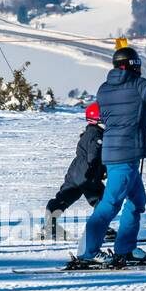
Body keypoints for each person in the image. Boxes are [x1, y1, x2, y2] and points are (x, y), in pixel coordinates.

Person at [71, 46, 146, 269]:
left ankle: (126, 249)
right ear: (134, 66)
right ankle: (88, 252)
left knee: (137, 201)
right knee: (110, 204)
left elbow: (125, 111)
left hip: (113, 152)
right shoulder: (137, 85)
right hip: (126, 155)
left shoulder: (104, 89)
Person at [42, 103, 112, 241]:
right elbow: (94, 156)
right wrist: (98, 171)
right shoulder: (97, 135)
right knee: (102, 200)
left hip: (75, 172)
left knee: (64, 198)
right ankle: (101, 229)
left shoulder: (89, 132)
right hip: (87, 174)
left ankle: (49, 225)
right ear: (98, 119)